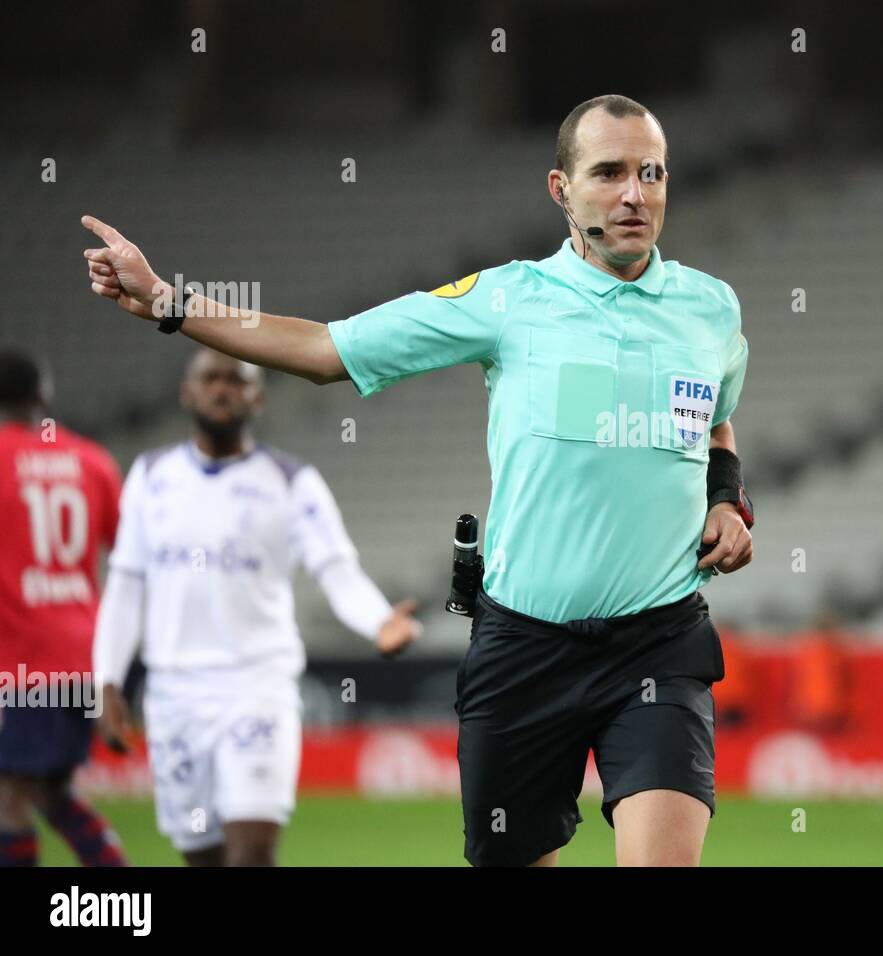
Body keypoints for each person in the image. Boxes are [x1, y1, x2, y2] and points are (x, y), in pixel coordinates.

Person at [80, 92, 753, 866]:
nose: (636, 194)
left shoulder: (711, 310)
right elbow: (328, 351)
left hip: (657, 644)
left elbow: (716, 423)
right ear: (561, 190)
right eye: (609, 173)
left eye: (652, 172)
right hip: (524, 648)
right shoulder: (507, 301)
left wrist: (726, 497)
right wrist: (169, 302)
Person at [91, 348, 421, 865]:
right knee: (203, 854)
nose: (222, 389)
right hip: (173, 695)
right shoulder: (150, 477)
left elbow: (337, 571)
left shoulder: (291, 482)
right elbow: (126, 588)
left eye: (236, 380)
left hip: (256, 687)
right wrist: (107, 681)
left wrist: (379, 620)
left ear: (258, 397)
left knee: (252, 850)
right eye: (210, 379)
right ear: (187, 393)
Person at [0, 349, 127, 866]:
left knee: (9, 797)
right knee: (49, 791)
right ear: (43, 396)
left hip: (19, 661)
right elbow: (130, 555)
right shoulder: (91, 460)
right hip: (83, 657)